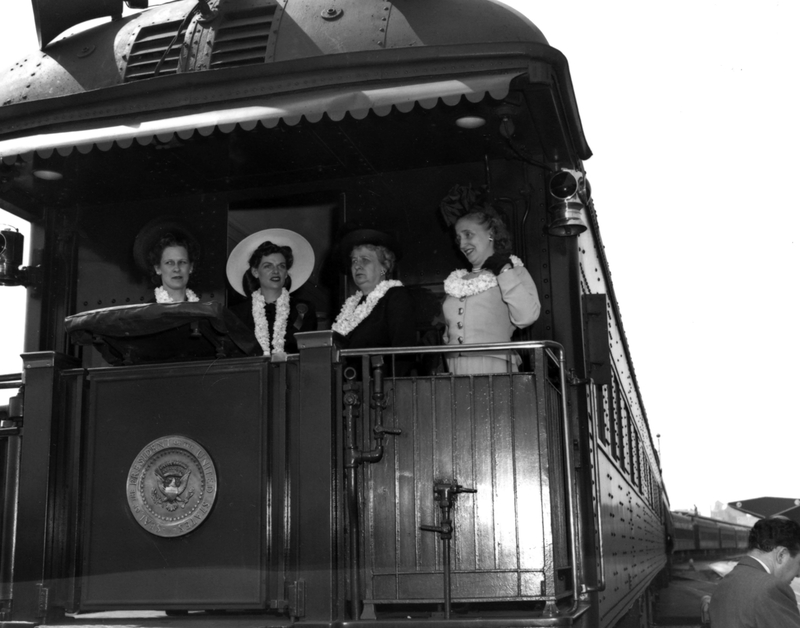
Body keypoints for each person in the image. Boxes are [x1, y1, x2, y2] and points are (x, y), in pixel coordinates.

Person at [441, 208, 540, 374]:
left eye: (468, 234)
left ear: (491, 234)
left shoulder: (514, 272)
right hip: (455, 369)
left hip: (494, 365)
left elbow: (527, 316)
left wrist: (503, 270)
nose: (462, 244)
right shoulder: (455, 282)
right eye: (458, 238)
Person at [331, 228, 416, 373]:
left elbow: (404, 353)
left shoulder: (396, 297)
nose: (357, 266)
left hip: (382, 387)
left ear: (384, 267)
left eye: (365, 260)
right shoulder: (351, 306)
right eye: (354, 261)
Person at [226, 228, 317, 356]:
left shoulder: (303, 309)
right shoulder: (237, 314)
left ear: (286, 273)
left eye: (281, 266)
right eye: (268, 266)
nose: (276, 271)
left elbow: (309, 353)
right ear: (255, 272)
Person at [710, 517, 800, 627]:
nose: (798, 574)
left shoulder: (726, 583)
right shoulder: (771, 588)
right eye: (799, 563)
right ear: (781, 555)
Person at [145, 231, 200, 303]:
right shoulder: (147, 312)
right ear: (158, 268)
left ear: (191, 267)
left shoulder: (205, 312)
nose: (177, 269)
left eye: (182, 262)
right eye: (169, 263)